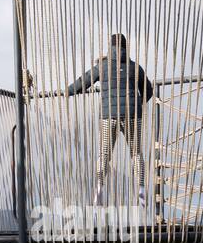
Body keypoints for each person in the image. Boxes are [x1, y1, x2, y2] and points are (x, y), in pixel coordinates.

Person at [66, 33, 156, 208]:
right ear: (125, 48)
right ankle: (141, 191)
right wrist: (136, 104)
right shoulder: (135, 67)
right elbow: (149, 90)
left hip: (109, 117)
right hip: (132, 115)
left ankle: (99, 190)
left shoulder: (102, 67)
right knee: (136, 153)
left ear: (110, 47)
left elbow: (82, 83)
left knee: (104, 155)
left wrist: (67, 91)